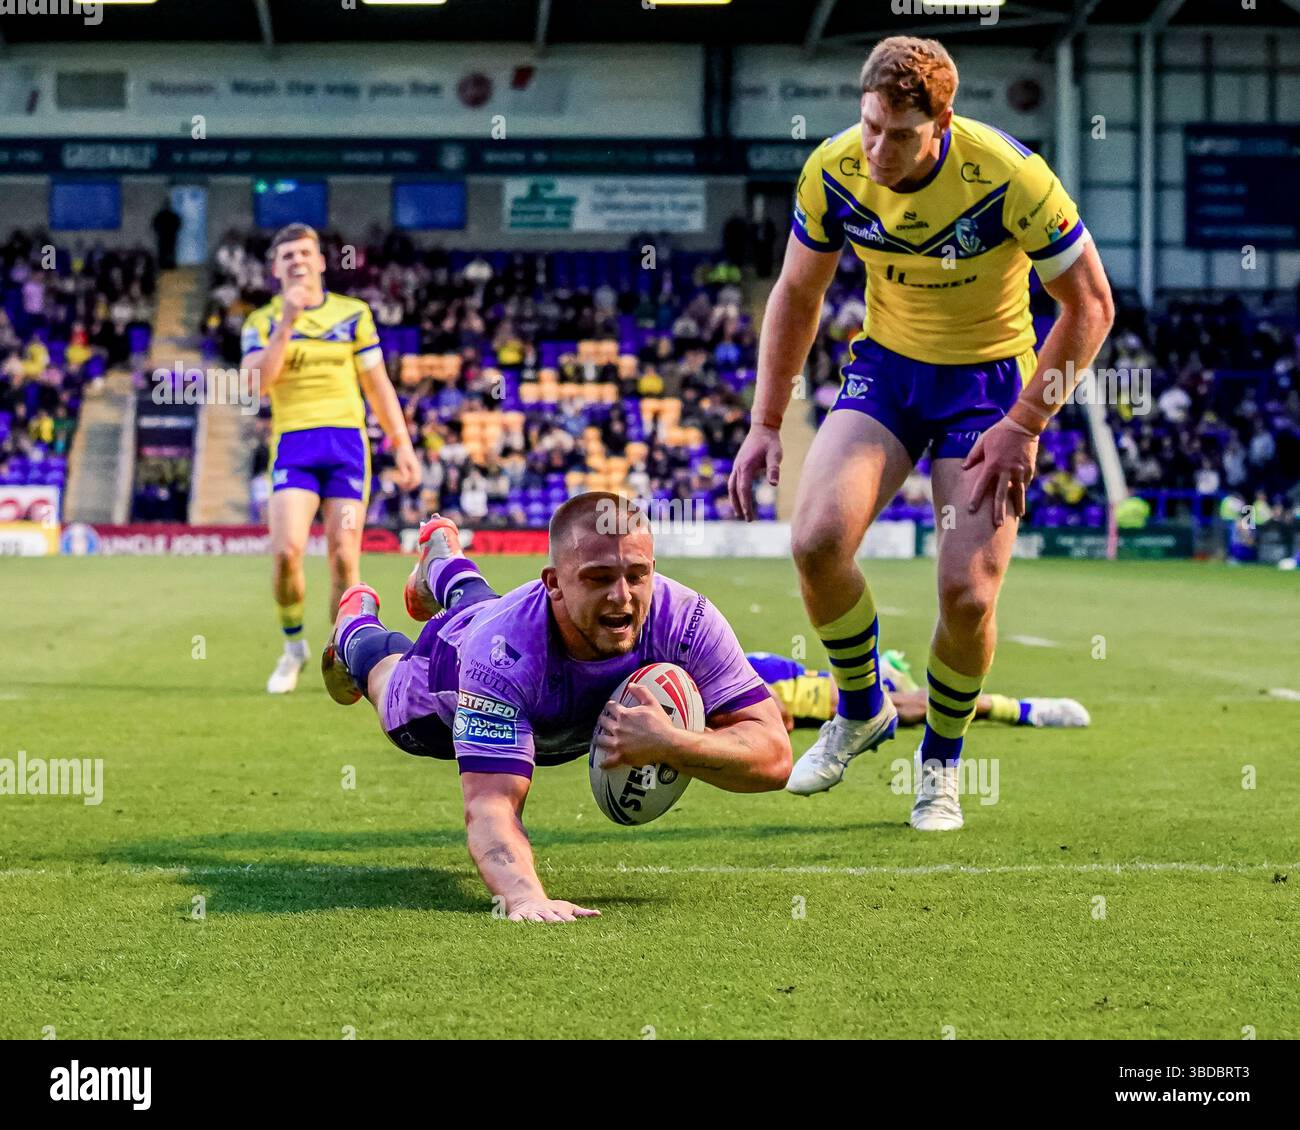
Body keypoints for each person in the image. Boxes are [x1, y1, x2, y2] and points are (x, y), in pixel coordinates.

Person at [727, 36, 1114, 830]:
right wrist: (765, 421)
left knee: (967, 595)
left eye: (898, 135)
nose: (877, 148)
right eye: (869, 125)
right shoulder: (833, 170)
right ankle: (862, 708)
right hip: (887, 376)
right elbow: (798, 294)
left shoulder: (1010, 175)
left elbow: (1092, 306)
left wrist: (1026, 423)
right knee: (815, 540)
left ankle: (939, 767)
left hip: (989, 393)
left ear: (941, 122)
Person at [320, 496, 791, 923]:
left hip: (511, 634)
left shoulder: (687, 620)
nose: (622, 596)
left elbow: (774, 758)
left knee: (480, 601)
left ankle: (441, 559)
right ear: (555, 583)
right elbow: (491, 804)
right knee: (388, 688)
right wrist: (525, 898)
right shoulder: (500, 652)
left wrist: (672, 743)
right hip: (447, 673)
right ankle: (354, 624)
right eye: (598, 578)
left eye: (636, 574)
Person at [240, 223, 421, 694]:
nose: (297, 260)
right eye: (287, 255)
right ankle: (293, 646)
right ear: (276, 268)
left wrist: (401, 443)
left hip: (346, 447)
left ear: (321, 261)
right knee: (286, 552)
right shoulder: (261, 321)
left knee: (344, 559)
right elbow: (256, 385)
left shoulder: (353, 313)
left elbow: (377, 385)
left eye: (305, 252)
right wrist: (288, 322)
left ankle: (343, 656)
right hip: (294, 446)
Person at [745, 650, 1089, 732]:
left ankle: (1023, 710)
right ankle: (888, 670)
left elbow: (782, 716)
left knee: (913, 709)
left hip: (818, 694)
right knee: (910, 708)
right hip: (812, 687)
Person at [151, 201, 181, 270]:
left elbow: (178, 223)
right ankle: (162, 265)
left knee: (170, 251)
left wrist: (174, 231)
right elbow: (154, 223)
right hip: (163, 236)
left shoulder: (173, 215)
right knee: (162, 252)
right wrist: (159, 231)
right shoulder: (161, 215)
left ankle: (170, 265)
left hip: (170, 236)